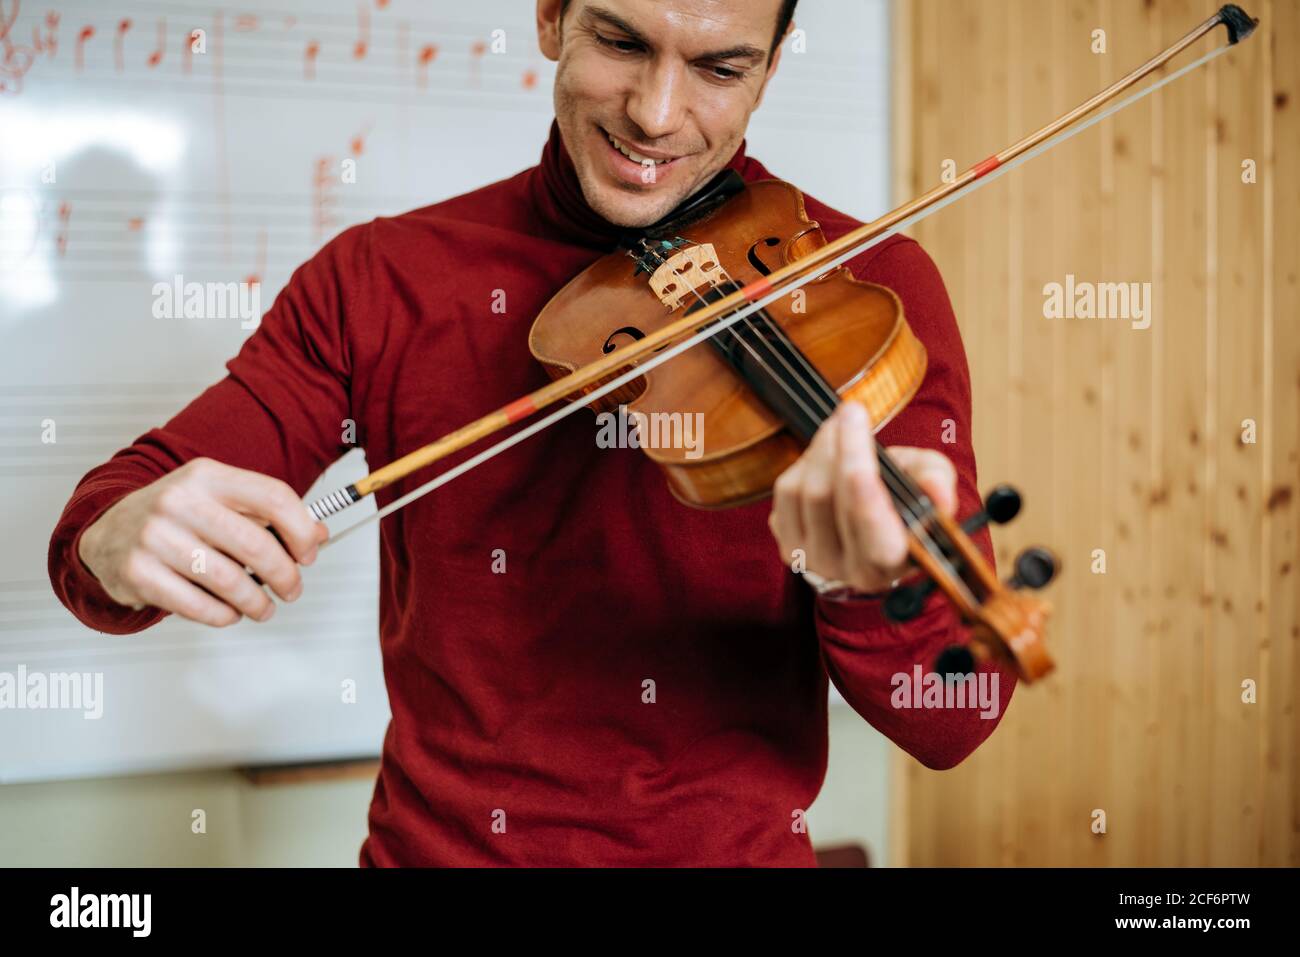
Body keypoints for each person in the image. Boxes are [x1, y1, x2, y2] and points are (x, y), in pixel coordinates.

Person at [48, 0, 1013, 866]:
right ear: (550, 17)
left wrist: (864, 587)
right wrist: (115, 538)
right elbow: (111, 527)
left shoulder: (865, 290)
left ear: (771, 66)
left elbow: (957, 719)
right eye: (621, 41)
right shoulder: (383, 280)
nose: (657, 113)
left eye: (721, 68)